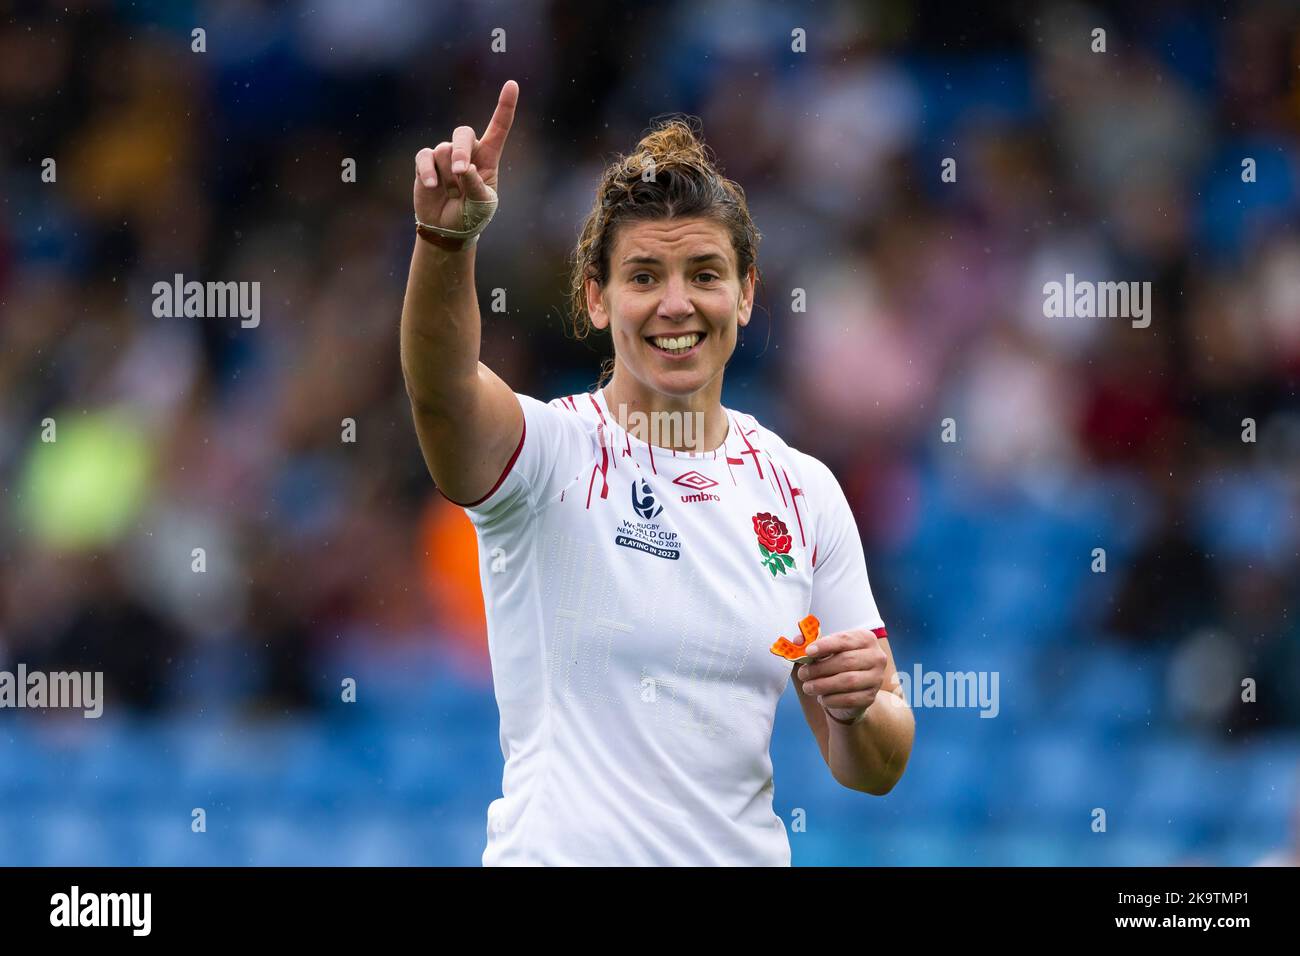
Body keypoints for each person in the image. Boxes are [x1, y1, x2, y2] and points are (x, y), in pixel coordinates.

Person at [401, 80, 914, 866]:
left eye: (705, 274)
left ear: (745, 294)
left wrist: (857, 709)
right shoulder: (546, 454)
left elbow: (875, 765)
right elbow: (441, 393)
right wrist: (447, 246)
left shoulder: (803, 491)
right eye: (643, 277)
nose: (677, 304)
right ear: (596, 299)